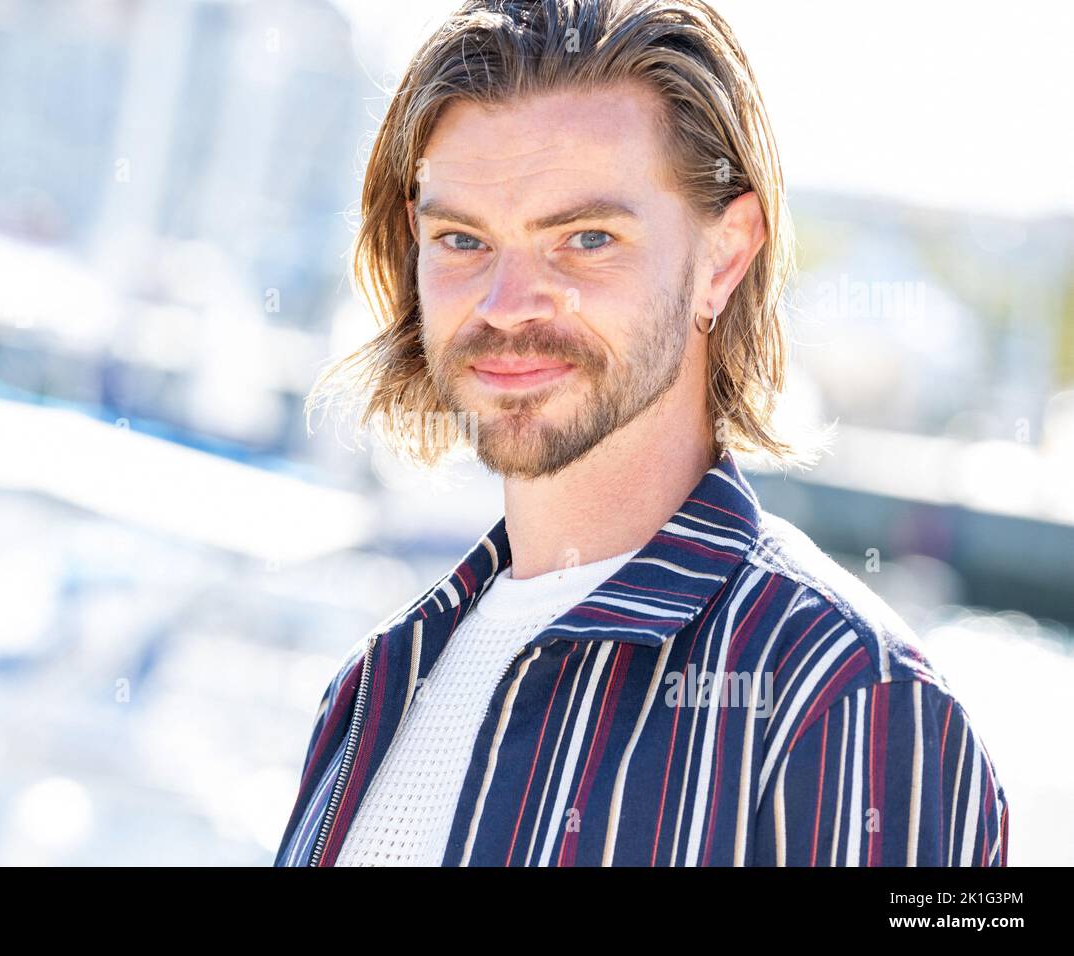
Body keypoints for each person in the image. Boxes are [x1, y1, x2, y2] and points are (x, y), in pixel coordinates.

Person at [274, 0, 1009, 866]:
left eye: (587, 238)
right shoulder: (372, 685)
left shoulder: (851, 704)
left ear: (722, 259)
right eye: (462, 238)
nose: (506, 305)